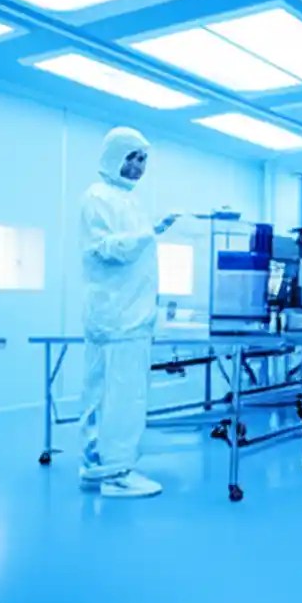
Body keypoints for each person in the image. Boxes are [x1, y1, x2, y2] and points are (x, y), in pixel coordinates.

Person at [78, 127, 178, 498]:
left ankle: (96, 466)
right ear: (113, 156)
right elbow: (104, 249)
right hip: (118, 317)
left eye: (143, 159)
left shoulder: (129, 200)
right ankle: (115, 473)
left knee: (110, 394)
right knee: (121, 398)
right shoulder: (97, 196)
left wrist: (150, 231)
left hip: (128, 316)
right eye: (132, 157)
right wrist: (149, 234)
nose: (138, 166)